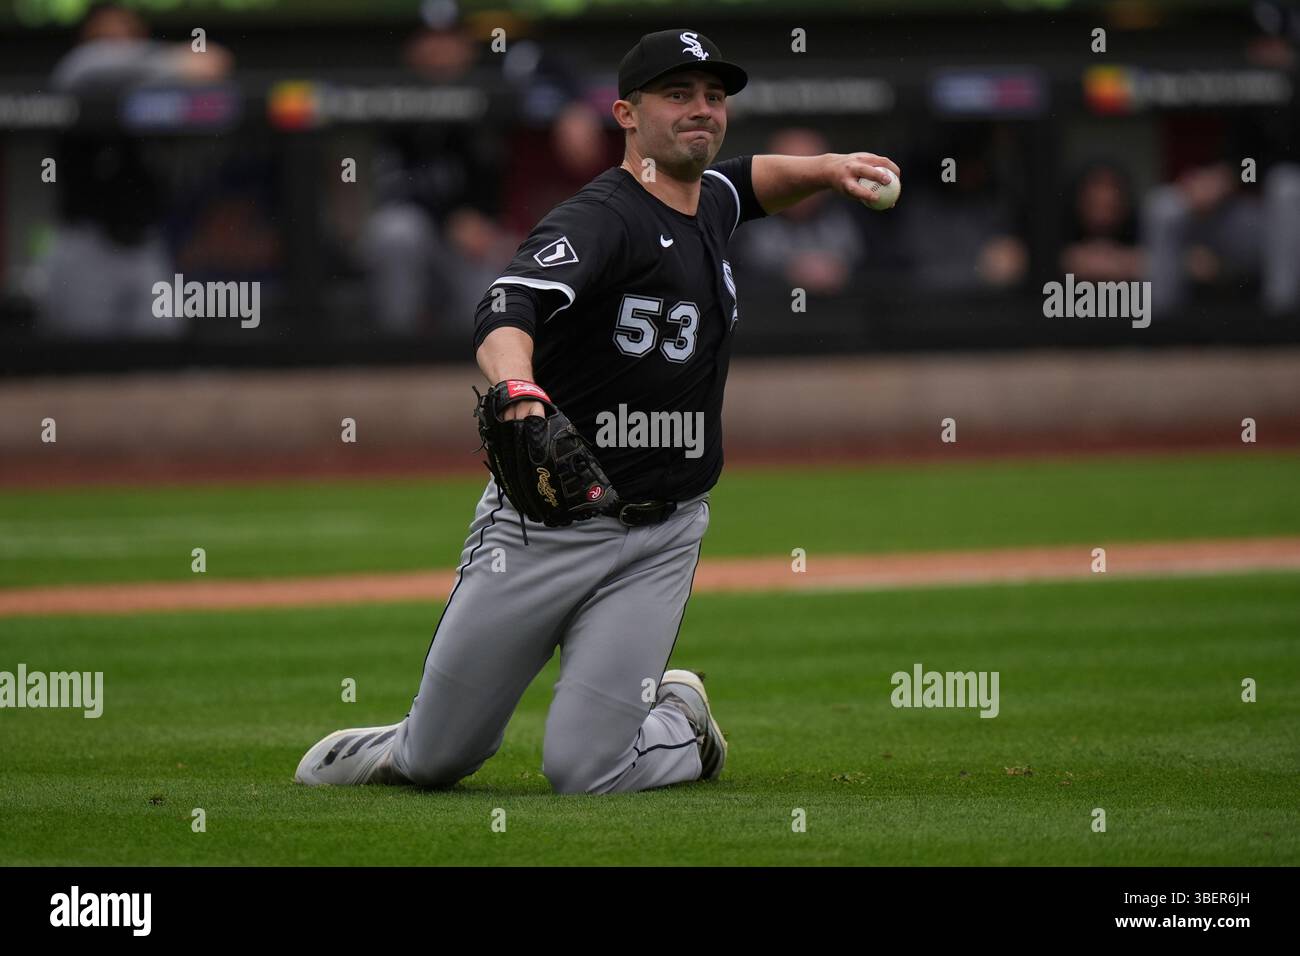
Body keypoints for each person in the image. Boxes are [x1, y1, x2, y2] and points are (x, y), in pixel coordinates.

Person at [295, 28, 899, 795]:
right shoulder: (602, 218)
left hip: (662, 533)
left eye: (714, 96)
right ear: (625, 113)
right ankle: (406, 744)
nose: (701, 109)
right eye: (677, 94)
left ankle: (681, 720)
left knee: (587, 772)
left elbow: (750, 183)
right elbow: (506, 303)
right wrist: (516, 389)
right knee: (438, 762)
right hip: (546, 526)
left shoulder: (706, 201)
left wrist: (826, 169)